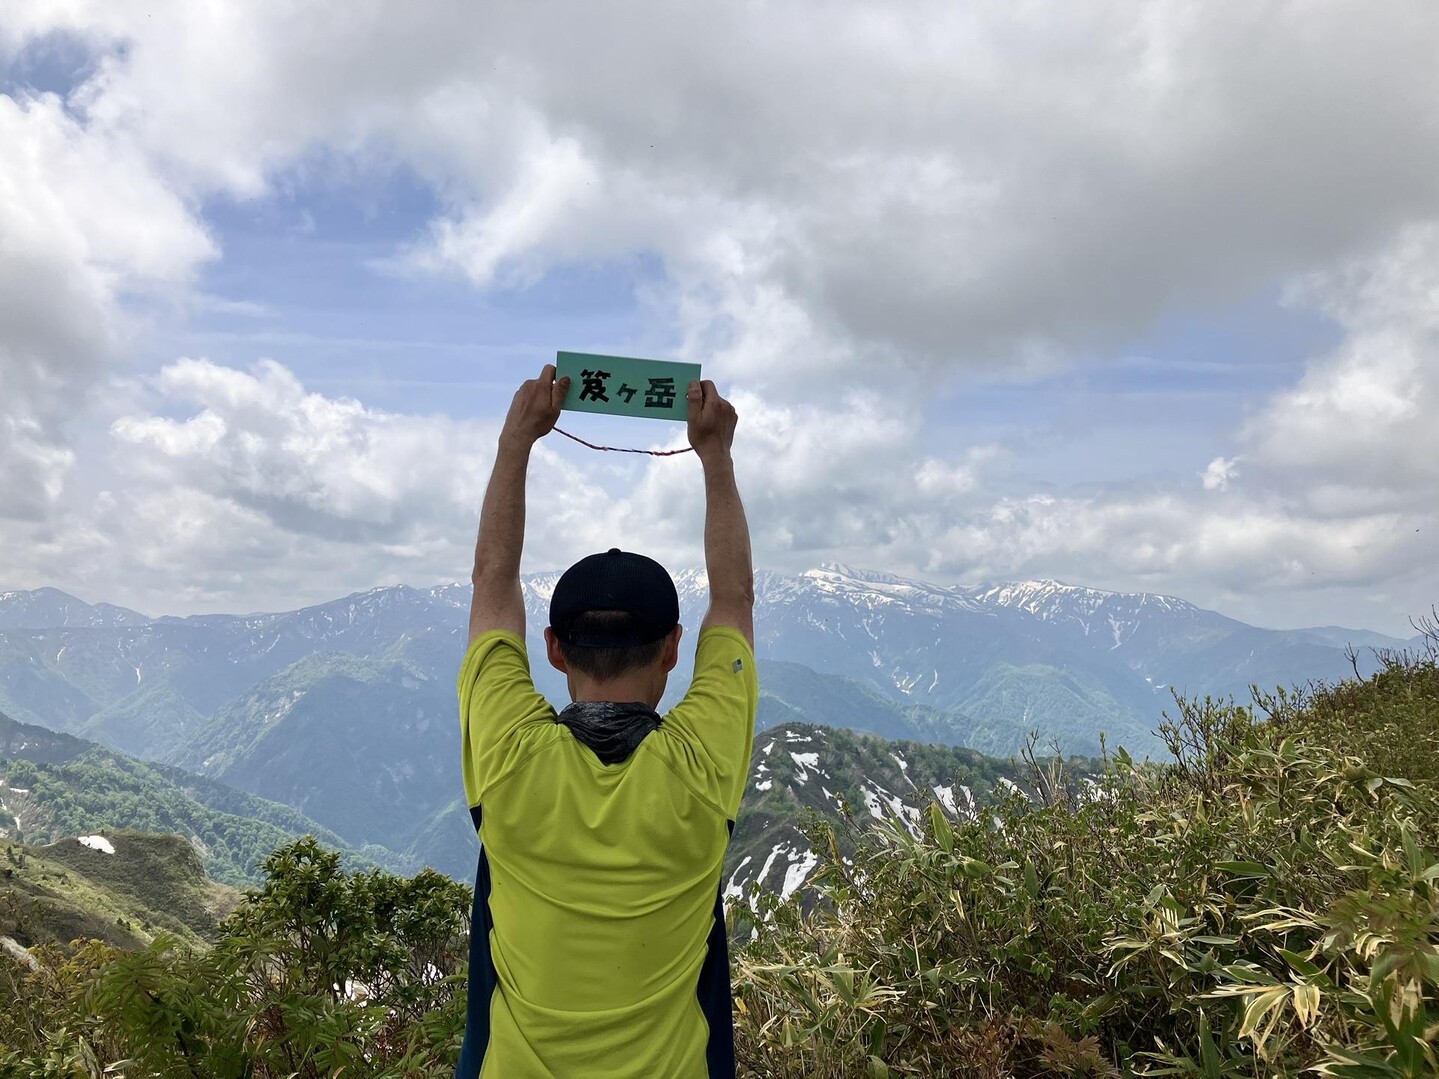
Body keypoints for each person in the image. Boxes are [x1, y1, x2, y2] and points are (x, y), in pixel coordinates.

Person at [454, 363, 757, 1079]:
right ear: (675, 648)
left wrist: (516, 442)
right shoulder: (701, 773)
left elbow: (492, 582)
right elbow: (735, 599)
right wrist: (716, 455)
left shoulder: (508, 762)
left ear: (553, 648)